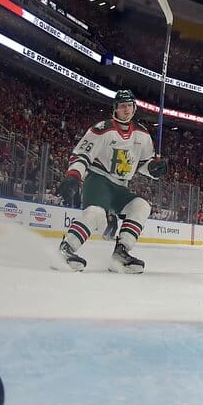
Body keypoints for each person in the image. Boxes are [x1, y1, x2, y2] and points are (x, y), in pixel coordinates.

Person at [56, 89, 168, 273]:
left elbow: (143, 164)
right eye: (122, 106)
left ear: (134, 108)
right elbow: (82, 154)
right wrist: (74, 175)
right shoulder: (102, 129)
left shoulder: (142, 134)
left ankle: (121, 252)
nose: (126, 110)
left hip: (121, 186)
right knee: (96, 214)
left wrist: (154, 169)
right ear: (115, 109)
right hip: (99, 179)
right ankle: (66, 248)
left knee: (141, 206)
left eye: (129, 106)